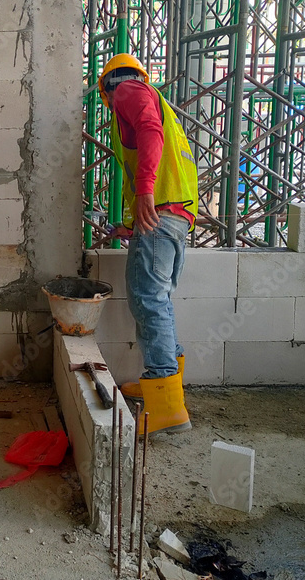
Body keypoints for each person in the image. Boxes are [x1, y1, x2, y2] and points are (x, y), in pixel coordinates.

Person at [98, 53, 199, 435]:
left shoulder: (128, 90)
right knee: (158, 301)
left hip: (159, 212)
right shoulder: (153, 96)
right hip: (173, 216)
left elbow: (149, 134)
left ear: (107, 87)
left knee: (148, 300)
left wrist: (144, 194)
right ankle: (163, 385)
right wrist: (129, 224)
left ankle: (168, 407)